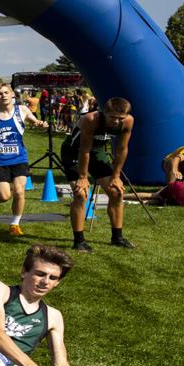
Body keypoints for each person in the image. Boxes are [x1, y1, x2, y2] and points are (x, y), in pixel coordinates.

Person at [60, 96, 135, 252]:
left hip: (97, 153)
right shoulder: (91, 119)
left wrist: (116, 176)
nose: (116, 121)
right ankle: (79, 241)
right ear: (104, 112)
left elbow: (122, 149)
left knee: (116, 192)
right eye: (112, 117)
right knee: (81, 194)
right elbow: (84, 149)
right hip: (74, 153)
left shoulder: (128, 121)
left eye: (120, 118)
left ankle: (117, 237)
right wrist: (82, 177)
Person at [0, 82, 48, 238]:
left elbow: (34, 121)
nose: (3, 96)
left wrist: (40, 124)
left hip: (19, 158)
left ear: (12, 94)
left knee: (20, 192)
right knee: (5, 196)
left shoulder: (21, 110)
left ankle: (15, 224)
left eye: (6, 92)